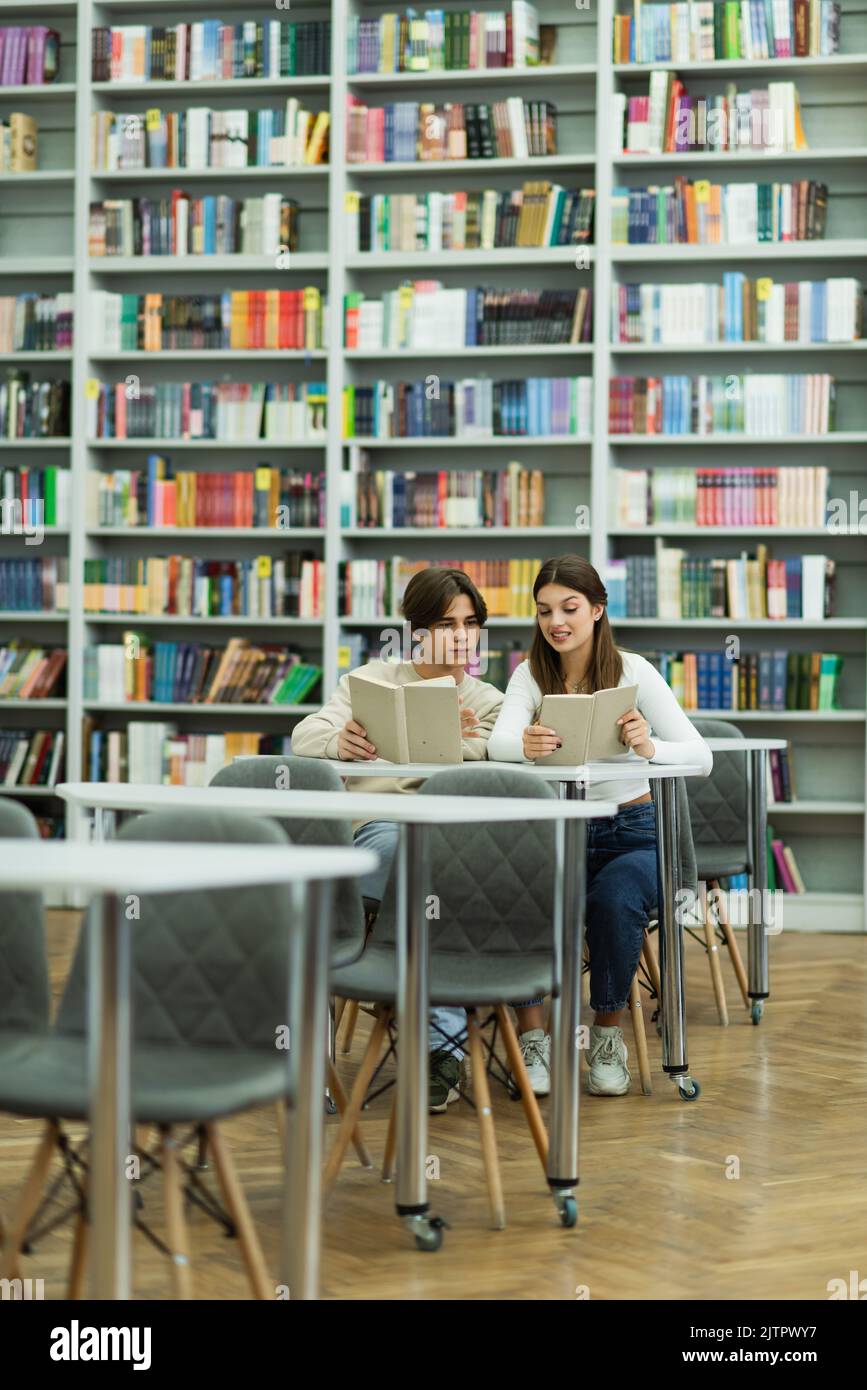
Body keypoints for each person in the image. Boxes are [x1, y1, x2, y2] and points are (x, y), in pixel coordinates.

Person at [487, 554, 712, 1097]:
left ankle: (607, 1035)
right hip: (555, 829)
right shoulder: (529, 673)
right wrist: (524, 745)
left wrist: (649, 746)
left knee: (615, 898)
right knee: (515, 890)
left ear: (597, 609)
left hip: (630, 828)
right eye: (544, 612)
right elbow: (497, 742)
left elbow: (700, 756)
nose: (556, 622)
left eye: (569, 608)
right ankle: (533, 1039)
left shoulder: (634, 671)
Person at [291, 567, 504, 1112]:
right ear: (417, 630)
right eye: (445, 624)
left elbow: (499, 755)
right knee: (340, 883)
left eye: (470, 623)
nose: (460, 636)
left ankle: (431, 1035)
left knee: (433, 870)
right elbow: (304, 734)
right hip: (379, 833)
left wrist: (458, 744)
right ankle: (441, 1044)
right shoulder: (372, 680)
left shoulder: (487, 702)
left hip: (451, 839)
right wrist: (341, 740)